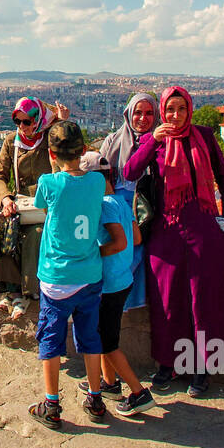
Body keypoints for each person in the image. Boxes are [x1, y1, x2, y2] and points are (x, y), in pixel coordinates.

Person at [122, 86, 224, 398]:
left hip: (201, 227)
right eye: (170, 110)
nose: (176, 116)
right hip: (166, 230)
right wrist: (153, 140)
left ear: (189, 109)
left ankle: (201, 369)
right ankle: (168, 364)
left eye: (181, 109)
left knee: (202, 301)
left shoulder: (203, 136)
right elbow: (130, 170)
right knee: (167, 300)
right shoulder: (157, 139)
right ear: (163, 112)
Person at [27, 121, 109, 429]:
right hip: (89, 274)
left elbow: (42, 209)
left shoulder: (48, 183)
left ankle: (51, 404)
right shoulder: (97, 183)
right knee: (90, 337)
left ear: (50, 153)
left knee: (50, 339)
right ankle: (96, 398)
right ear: (83, 150)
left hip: (56, 276)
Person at [75, 151, 155, 416]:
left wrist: (90, 255)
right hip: (123, 280)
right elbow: (136, 239)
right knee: (103, 335)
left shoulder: (104, 206)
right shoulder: (121, 201)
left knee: (107, 343)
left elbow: (120, 242)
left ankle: (138, 393)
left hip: (107, 284)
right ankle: (108, 383)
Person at [0, 96, 69, 321]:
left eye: (26, 121)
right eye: (18, 122)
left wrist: (61, 123)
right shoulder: (11, 142)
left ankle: (26, 292)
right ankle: (9, 290)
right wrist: (5, 199)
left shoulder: (50, 138)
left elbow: (68, 153)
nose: (22, 127)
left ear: (39, 119)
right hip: (20, 204)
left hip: (46, 207)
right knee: (3, 233)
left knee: (36, 236)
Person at [99, 92, 157, 310]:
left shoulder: (160, 142)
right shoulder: (113, 141)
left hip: (147, 205)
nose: (143, 119)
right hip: (117, 204)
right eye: (138, 113)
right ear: (129, 114)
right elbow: (99, 174)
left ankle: (127, 302)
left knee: (139, 250)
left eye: (149, 113)